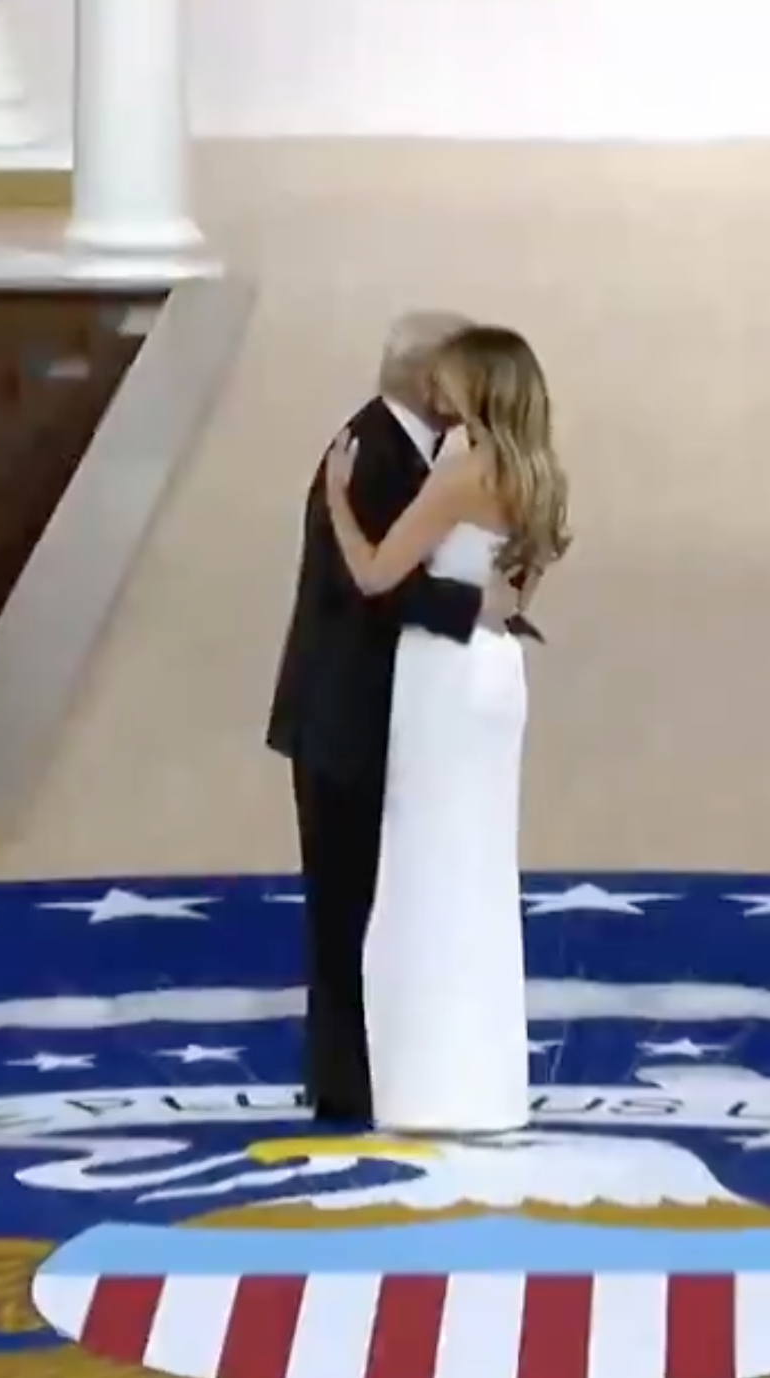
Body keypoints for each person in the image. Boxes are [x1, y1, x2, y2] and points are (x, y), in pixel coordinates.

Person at [266, 313, 522, 1127]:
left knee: (400, 895)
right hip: (343, 717)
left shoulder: (432, 454)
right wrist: (472, 607)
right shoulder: (366, 451)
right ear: (428, 381)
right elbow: (364, 587)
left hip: (406, 710)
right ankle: (344, 1091)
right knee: (344, 907)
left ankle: (387, 1068)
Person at [319, 324, 566, 1135]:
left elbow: (374, 573)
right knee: (479, 864)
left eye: (454, 380)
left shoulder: (464, 470)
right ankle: (480, 1081)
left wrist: (337, 504)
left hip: (441, 680)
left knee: (427, 862)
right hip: (497, 677)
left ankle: (427, 1082)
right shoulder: (540, 475)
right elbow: (513, 598)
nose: (441, 392)